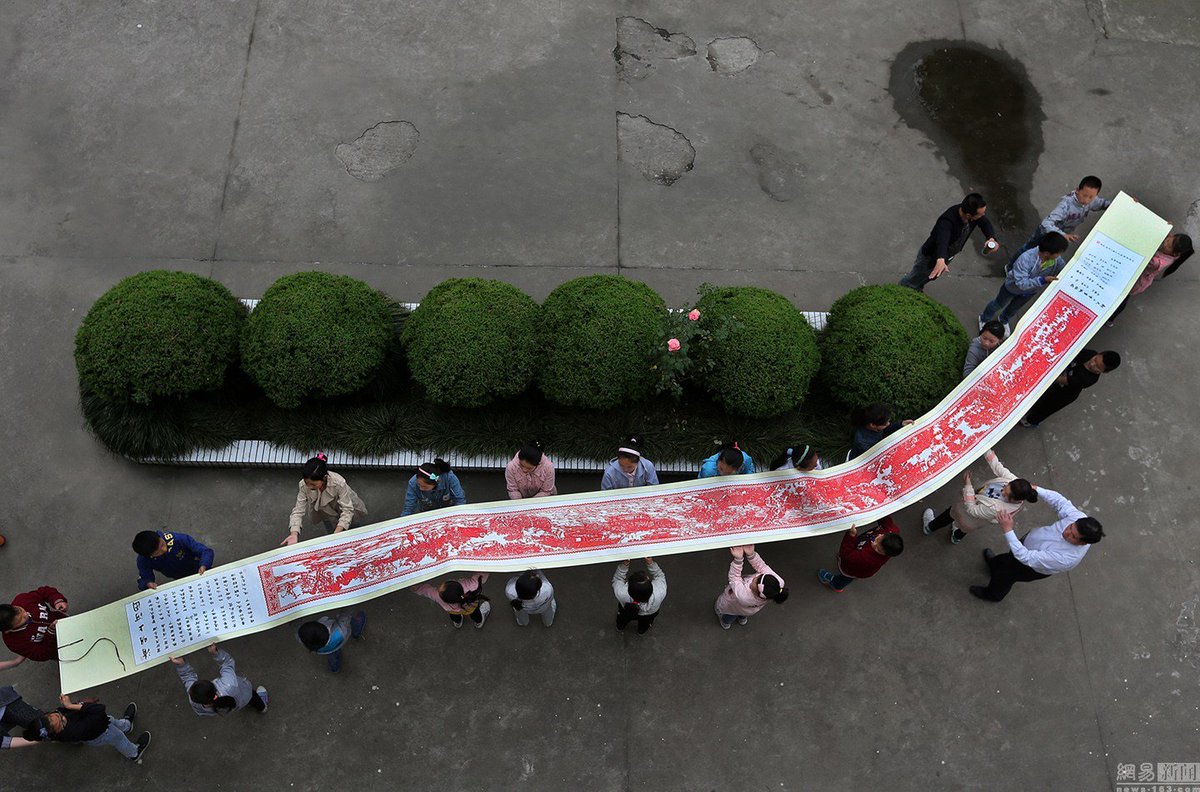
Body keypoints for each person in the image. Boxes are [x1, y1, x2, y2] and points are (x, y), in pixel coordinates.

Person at [970, 487, 1103, 602]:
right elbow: (1060, 502)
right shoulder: (1078, 517)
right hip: (1025, 544)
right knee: (1005, 560)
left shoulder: (1065, 558)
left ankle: (993, 594)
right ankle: (995, 564)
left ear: (1082, 543)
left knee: (1006, 576)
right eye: (1070, 527)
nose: (1066, 532)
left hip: (1028, 566)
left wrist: (1007, 528)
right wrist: (1037, 489)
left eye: (1073, 536)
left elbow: (1024, 556)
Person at [921, 449, 1038, 544]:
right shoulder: (1014, 484)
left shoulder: (996, 508)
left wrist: (968, 485)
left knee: (950, 515)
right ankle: (956, 537)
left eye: (1005, 494)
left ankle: (930, 527)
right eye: (1006, 486)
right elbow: (998, 467)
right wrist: (985, 448)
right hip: (976, 520)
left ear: (1013, 499)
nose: (1002, 489)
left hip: (970, 511)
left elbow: (972, 509)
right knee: (964, 528)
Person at [899, 193, 998, 290]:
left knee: (929, 277)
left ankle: (917, 287)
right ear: (968, 215)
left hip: (947, 255)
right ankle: (902, 289)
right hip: (930, 257)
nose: (983, 215)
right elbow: (942, 240)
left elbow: (985, 223)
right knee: (915, 277)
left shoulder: (972, 212)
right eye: (981, 214)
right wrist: (941, 259)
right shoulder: (946, 221)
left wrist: (991, 238)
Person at [978, 232, 1069, 331]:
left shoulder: (1055, 260)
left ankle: (1003, 320)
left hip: (1030, 291)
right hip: (1012, 288)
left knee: (1014, 308)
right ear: (1047, 253)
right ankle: (984, 319)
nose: (1059, 256)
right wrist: (1043, 280)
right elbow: (1021, 283)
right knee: (998, 304)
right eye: (1058, 253)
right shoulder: (1025, 259)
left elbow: (1064, 267)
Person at [1010, 176, 1111, 263]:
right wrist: (1064, 235)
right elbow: (1046, 223)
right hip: (1045, 234)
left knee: (1045, 254)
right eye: (1084, 195)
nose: (1087, 200)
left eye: (1091, 197)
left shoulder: (1093, 201)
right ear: (1077, 190)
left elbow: (1103, 204)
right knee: (1029, 249)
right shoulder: (1066, 205)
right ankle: (1011, 266)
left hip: (1060, 235)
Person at [24, 695, 149, 761]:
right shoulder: (76, 730)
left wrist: (77, 704)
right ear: (56, 731)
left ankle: (126, 725)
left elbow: (64, 710)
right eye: (60, 721)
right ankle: (134, 753)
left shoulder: (56, 726)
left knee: (112, 720)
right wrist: (74, 705)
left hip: (100, 723)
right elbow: (99, 710)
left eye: (51, 716)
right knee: (119, 738)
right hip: (102, 731)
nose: (58, 715)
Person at [282, 453, 368, 546]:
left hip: (347, 508)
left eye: (313, 484)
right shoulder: (303, 485)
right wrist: (294, 533)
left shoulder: (338, 482)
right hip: (326, 513)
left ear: (324, 478)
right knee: (332, 535)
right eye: (307, 483)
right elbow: (298, 510)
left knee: (355, 531)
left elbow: (347, 510)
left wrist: (337, 533)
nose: (309, 486)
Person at [1021, 348, 1120, 427]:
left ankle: (1030, 421)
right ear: (1098, 354)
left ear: (1104, 371)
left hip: (1063, 394)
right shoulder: (1090, 353)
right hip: (1062, 377)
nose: (1092, 364)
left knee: (1044, 408)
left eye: (1097, 367)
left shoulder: (1087, 379)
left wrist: (1042, 373)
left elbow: (1060, 379)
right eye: (1095, 359)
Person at [1110, 232, 1193, 322]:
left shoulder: (1157, 263)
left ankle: (1111, 318)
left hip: (1136, 282)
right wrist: (1164, 228)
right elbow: (1169, 236)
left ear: (1175, 254)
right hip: (1135, 275)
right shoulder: (1174, 250)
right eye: (1167, 240)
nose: (1165, 243)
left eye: (1168, 245)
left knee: (1122, 298)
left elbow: (1142, 257)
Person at [171, 643, 269, 716]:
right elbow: (227, 663)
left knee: (243, 701)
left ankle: (261, 707)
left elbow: (188, 677)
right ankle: (262, 707)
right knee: (253, 697)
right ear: (212, 685)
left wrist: (182, 665)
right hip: (244, 695)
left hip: (232, 706)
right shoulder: (229, 684)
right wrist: (216, 652)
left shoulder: (195, 701)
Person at [714, 545, 788, 629]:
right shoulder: (778, 584)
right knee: (743, 613)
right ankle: (742, 618)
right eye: (759, 576)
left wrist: (738, 560)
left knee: (729, 615)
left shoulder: (744, 596)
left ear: (755, 591)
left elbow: (734, 578)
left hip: (732, 607)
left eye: (755, 581)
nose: (755, 578)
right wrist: (751, 554)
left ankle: (726, 623)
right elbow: (762, 566)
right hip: (749, 610)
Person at [818, 518, 903, 592]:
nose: (874, 540)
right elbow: (885, 517)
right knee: (852, 568)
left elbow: (846, 554)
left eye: (877, 546)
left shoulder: (865, 559)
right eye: (880, 536)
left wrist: (851, 536)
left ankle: (836, 585)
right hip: (859, 561)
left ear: (883, 552)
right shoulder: (892, 530)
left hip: (852, 569)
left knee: (846, 577)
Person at [0, 586, 68, 662]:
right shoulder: (14, 643)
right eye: (20, 620)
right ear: (8, 630)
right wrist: (50, 633)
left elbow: (44, 592)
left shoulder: (22, 599)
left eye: (19, 609)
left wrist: (57, 600)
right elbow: (41, 655)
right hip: (60, 648)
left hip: (66, 621)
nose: (26, 614)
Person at [132, 529, 214, 591]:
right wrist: (148, 583)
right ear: (150, 555)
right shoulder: (143, 560)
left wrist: (204, 564)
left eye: (162, 544)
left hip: (199, 568)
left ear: (159, 536)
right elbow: (144, 577)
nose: (164, 549)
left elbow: (205, 551)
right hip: (179, 577)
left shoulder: (178, 539)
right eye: (158, 552)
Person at [296, 610, 367, 673]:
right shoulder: (339, 629)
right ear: (324, 628)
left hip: (325, 650)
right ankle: (356, 630)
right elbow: (346, 615)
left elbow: (296, 626)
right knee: (349, 622)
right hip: (342, 638)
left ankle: (334, 668)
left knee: (332, 656)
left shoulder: (301, 638)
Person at [413, 574, 492, 629]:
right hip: (471, 608)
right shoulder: (471, 585)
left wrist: (414, 586)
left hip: (452, 611)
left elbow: (425, 590)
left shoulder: (437, 596)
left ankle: (458, 623)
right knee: (475, 614)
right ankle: (479, 622)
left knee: (454, 616)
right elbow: (481, 575)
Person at [613, 558, 666, 635]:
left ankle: (620, 627)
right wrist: (650, 563)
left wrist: (624, 565)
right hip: (649, 614)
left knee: (622, 619)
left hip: (626, 610)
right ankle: (641, 631)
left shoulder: (621, 592)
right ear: (651, 587)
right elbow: (659, 575)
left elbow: (618, 579)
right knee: (644, 624)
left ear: (628, 589)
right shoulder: (660, 591)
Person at [401, 459, 467, 516]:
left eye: (425, 487)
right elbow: (408, 508)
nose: (421, 488)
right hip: (427, 513)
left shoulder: (449, 478)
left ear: (436, 483)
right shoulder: (413, 483)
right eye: (419, 484)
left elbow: (459, 501)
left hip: (449, 511)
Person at [848, 404, 912, 460]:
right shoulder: (862, 441)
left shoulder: (874, 426)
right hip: (864, 457)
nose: (889, 424)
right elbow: (872, 457)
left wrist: (901, 424)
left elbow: (886, 429)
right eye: (885, 423)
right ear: (873, 425)